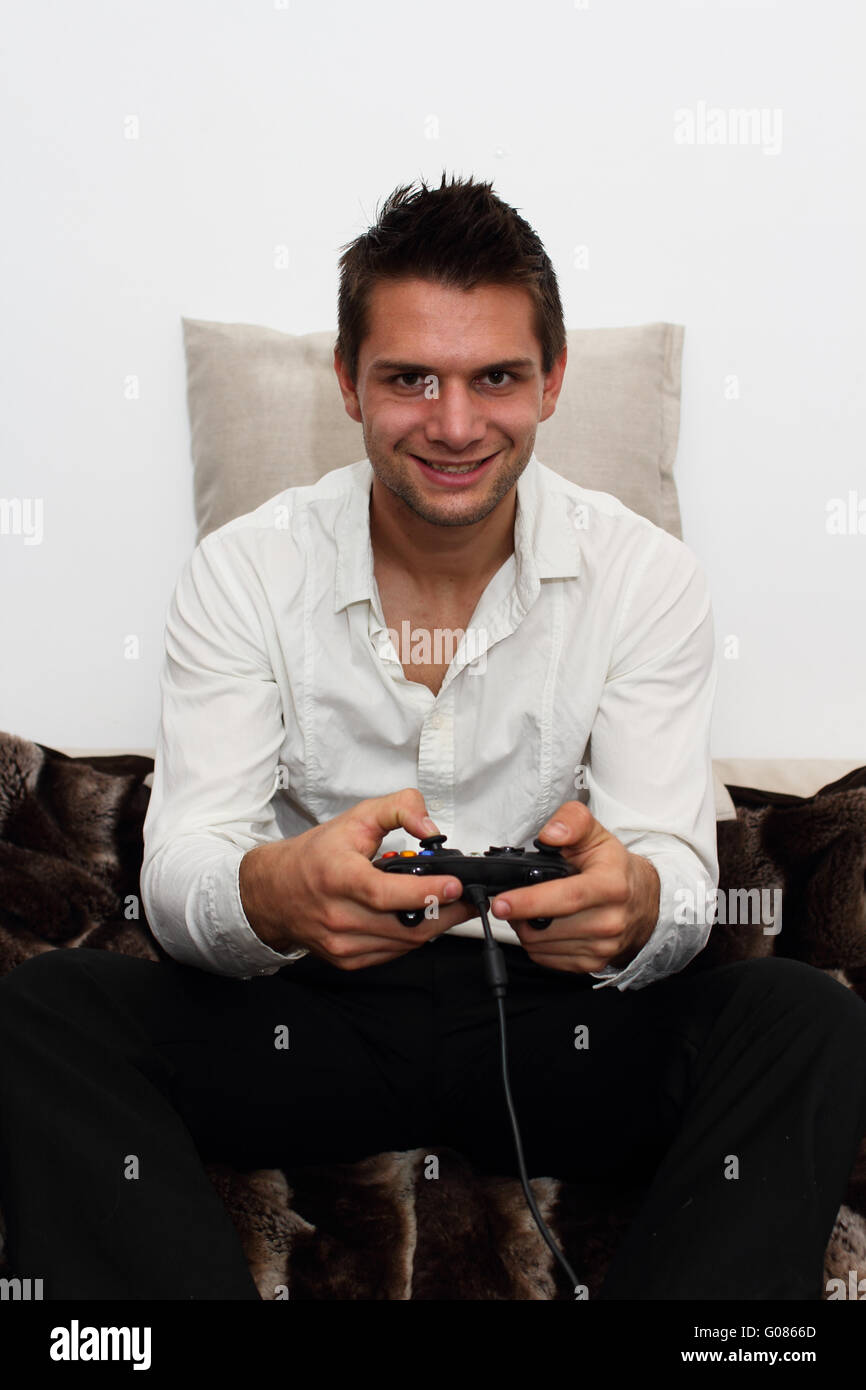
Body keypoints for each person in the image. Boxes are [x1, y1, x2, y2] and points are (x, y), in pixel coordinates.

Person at [1, 173, 865, 1301]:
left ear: (551, 381)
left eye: (494, 377)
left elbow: (672, 864)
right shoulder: (243, 571)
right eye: (409, 377)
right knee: (46, 1010)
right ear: (346, 384)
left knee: (798, 1017)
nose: (453, 426)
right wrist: (275, 890)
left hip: (555, 1024)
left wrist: (631, 906)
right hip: (309, 1016)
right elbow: (182, 869)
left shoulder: (645, 579)